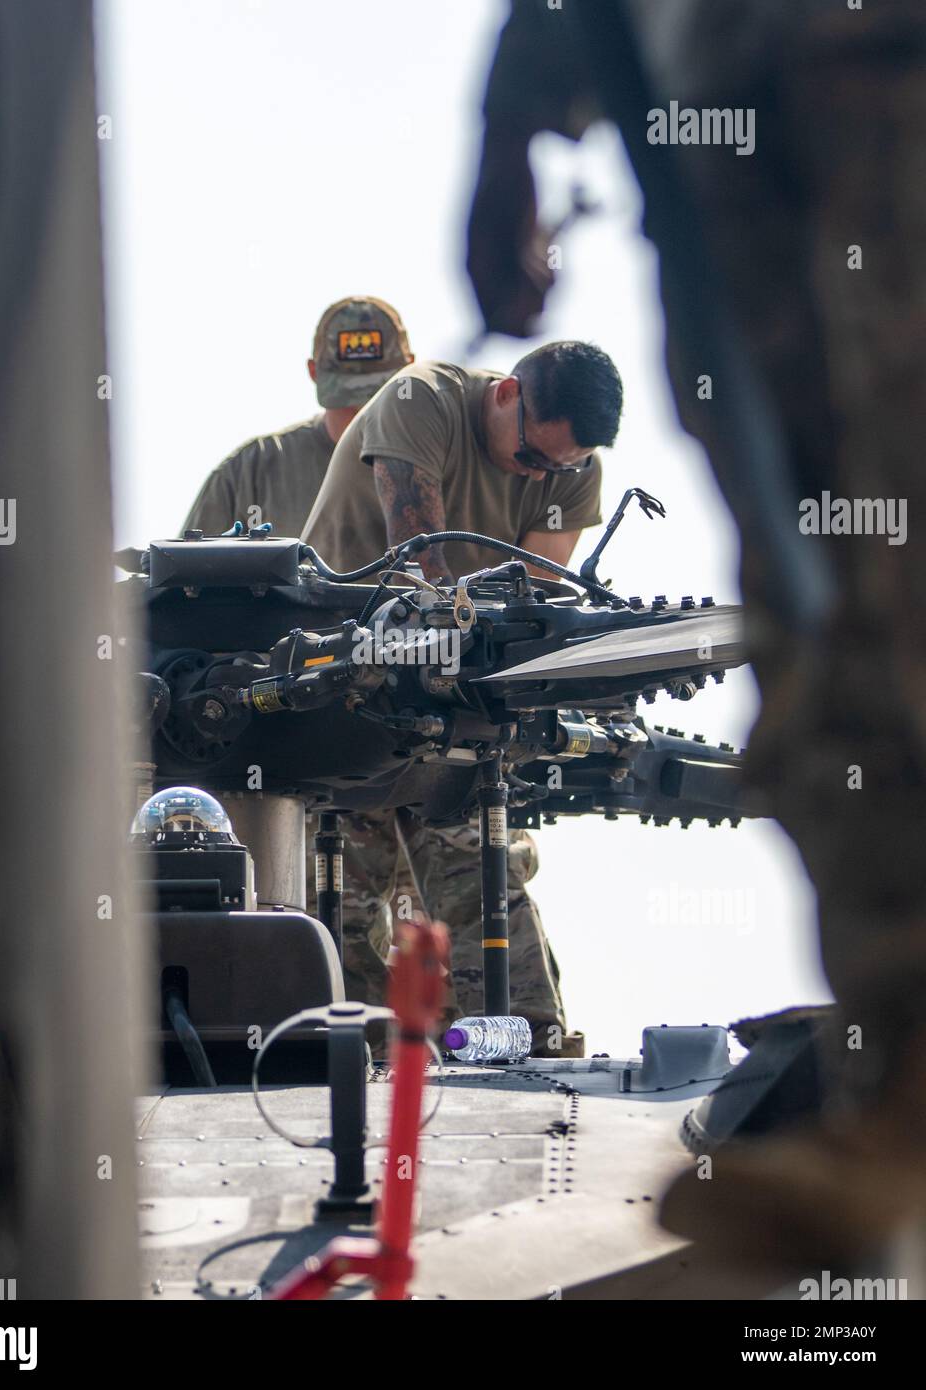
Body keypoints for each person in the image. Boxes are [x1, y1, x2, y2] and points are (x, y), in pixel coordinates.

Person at [466, 0, 926, 1268]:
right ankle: (900, 1089)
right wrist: (517, 111)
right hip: (712, 125)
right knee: (806, 613)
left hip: (885, 78)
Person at [302, 342, 624, 1053]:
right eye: (534, 459)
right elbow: (420, 565)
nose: (542, 476)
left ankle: (528, 1043)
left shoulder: (573, 471)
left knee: (484, 879)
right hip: (342, 687)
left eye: (561, 467)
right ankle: (353, 1064)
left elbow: (532, 606)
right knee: (345, 917)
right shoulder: (422, 403)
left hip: (451, 705)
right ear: (507, 394)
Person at [182, 295, 413, 538]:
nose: (361, 415)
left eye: (376, 399)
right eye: (347, 399)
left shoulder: (445, 461)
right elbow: (180, 570)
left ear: (411, 370)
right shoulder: (250, 474)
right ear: (313, 372)